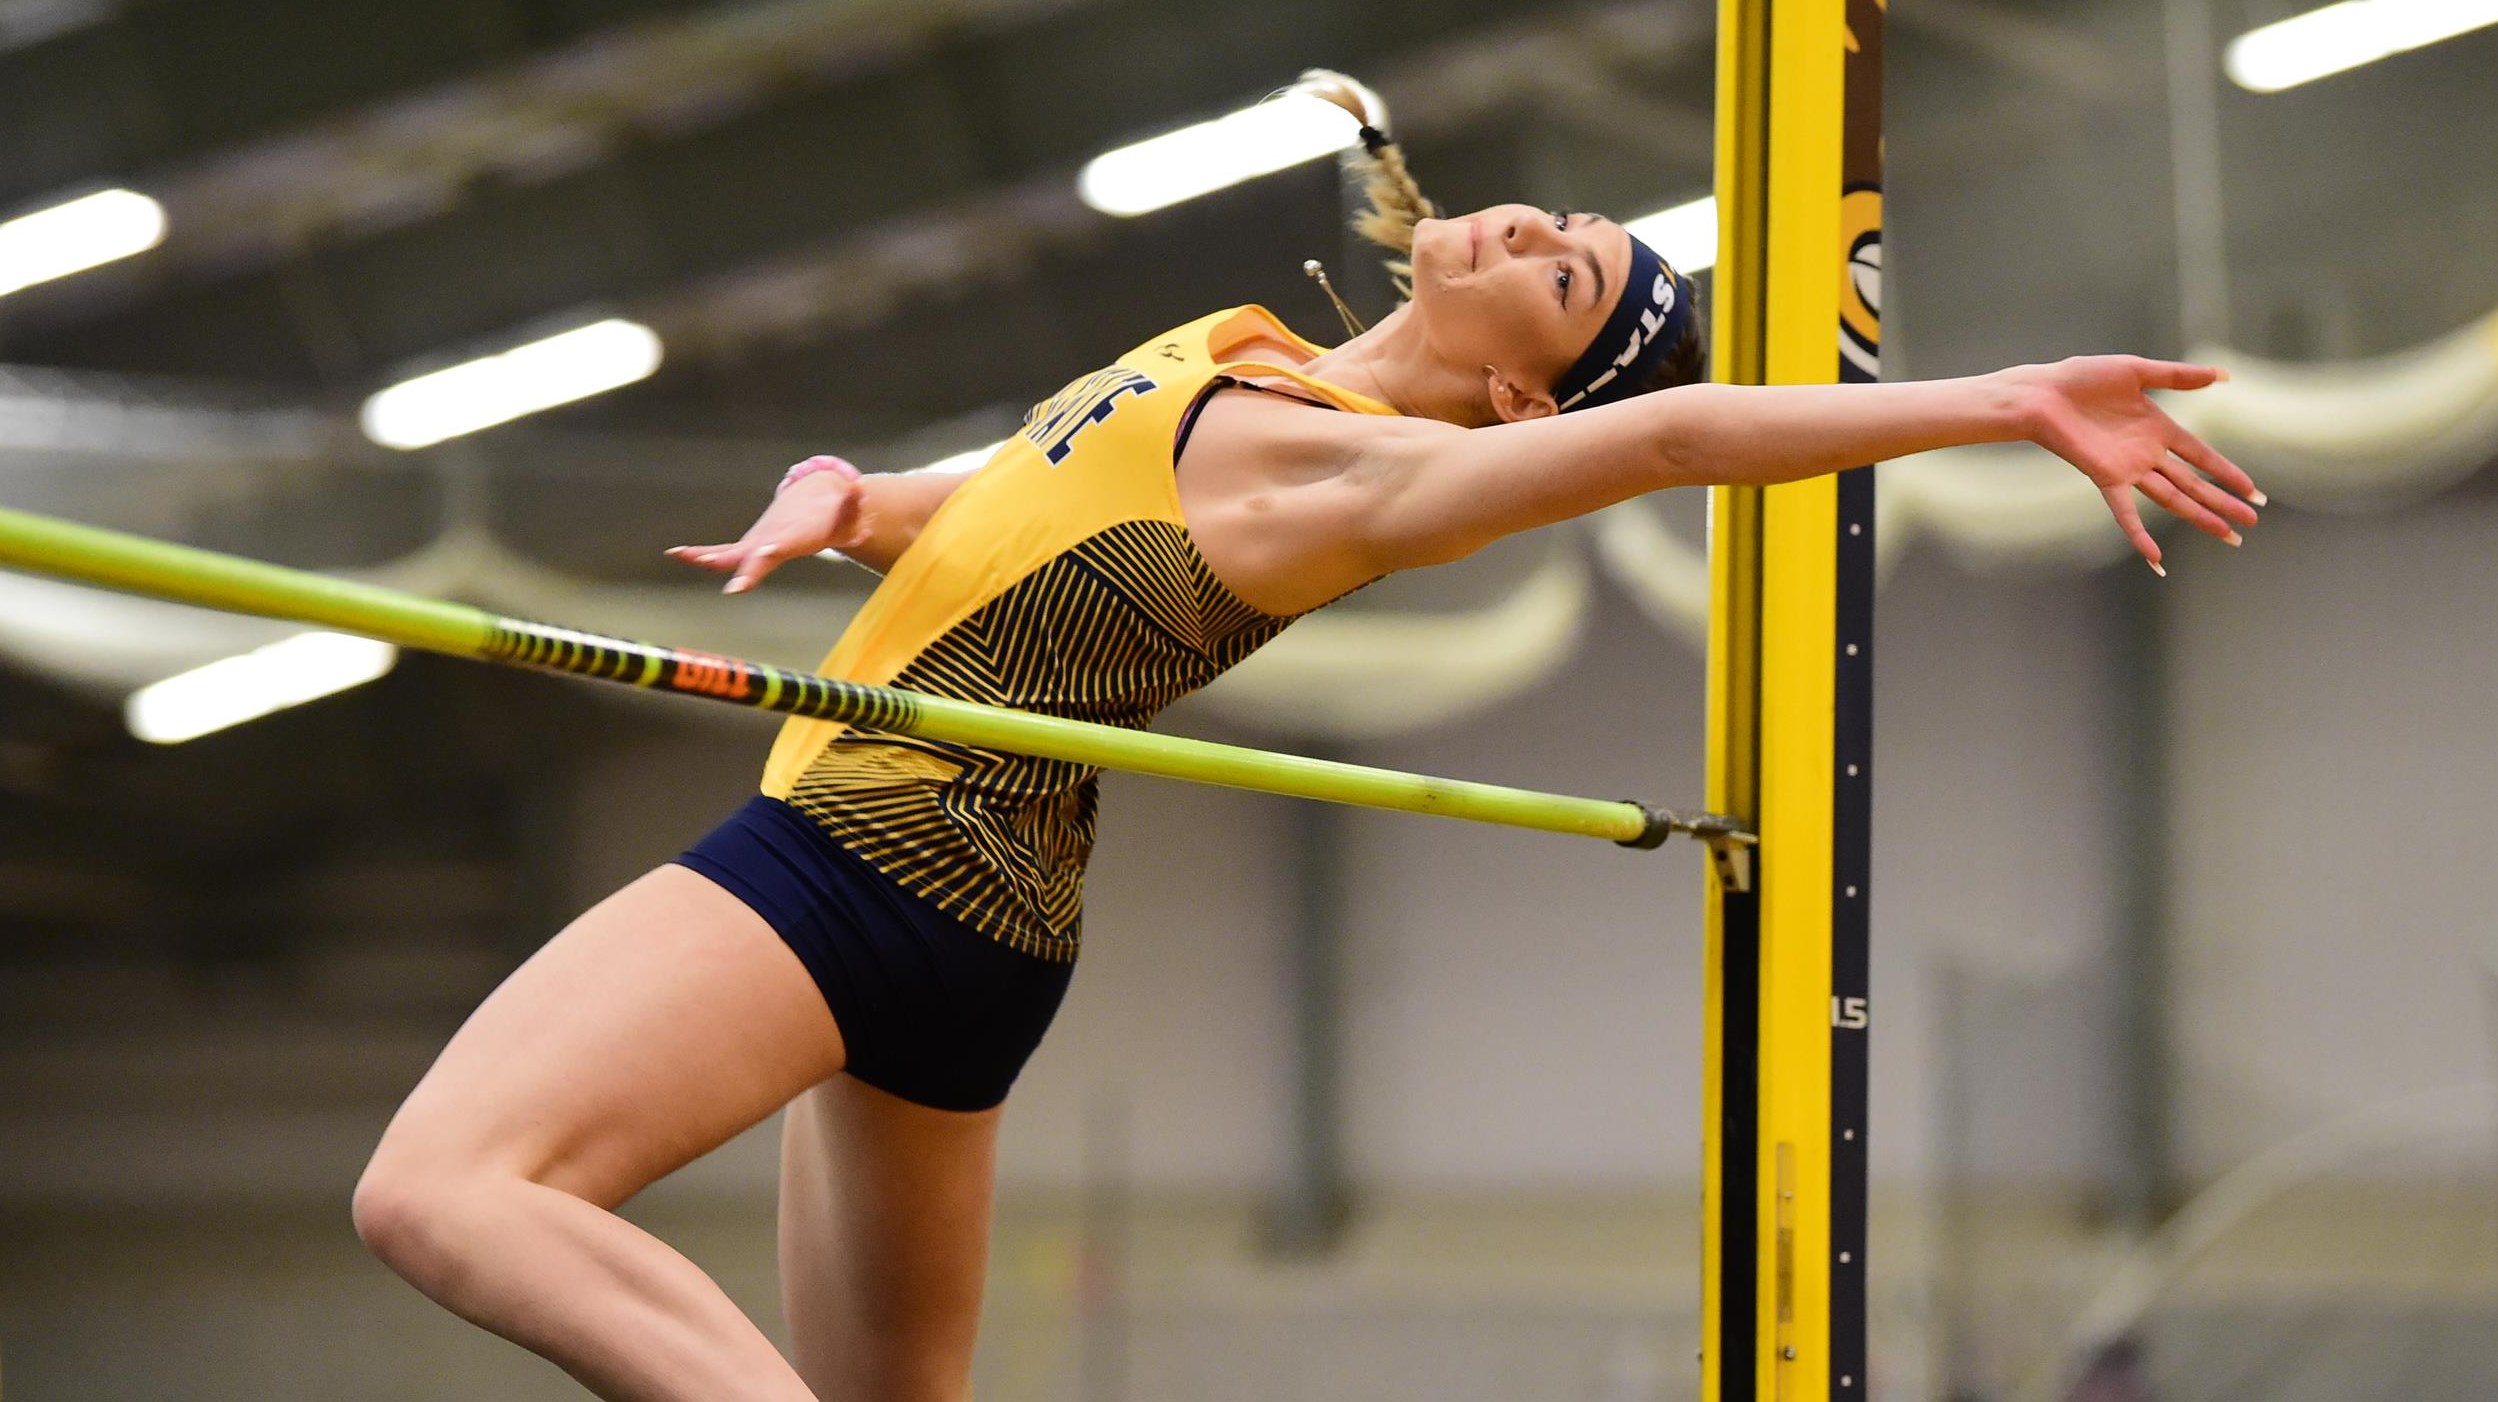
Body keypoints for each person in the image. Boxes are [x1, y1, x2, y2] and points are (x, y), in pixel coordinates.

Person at [348, 72, 2259, 1402]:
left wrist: (2004, 395)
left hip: (868, 856)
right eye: (1562, 218)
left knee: (442, 1191)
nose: (1527, 219)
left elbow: (1676, 436)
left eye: (1564, 268)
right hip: (977, 934)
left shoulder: (1374, 477)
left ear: (1523, 380)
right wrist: (861, 500)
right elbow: (1041, 500)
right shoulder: (1237, 355)